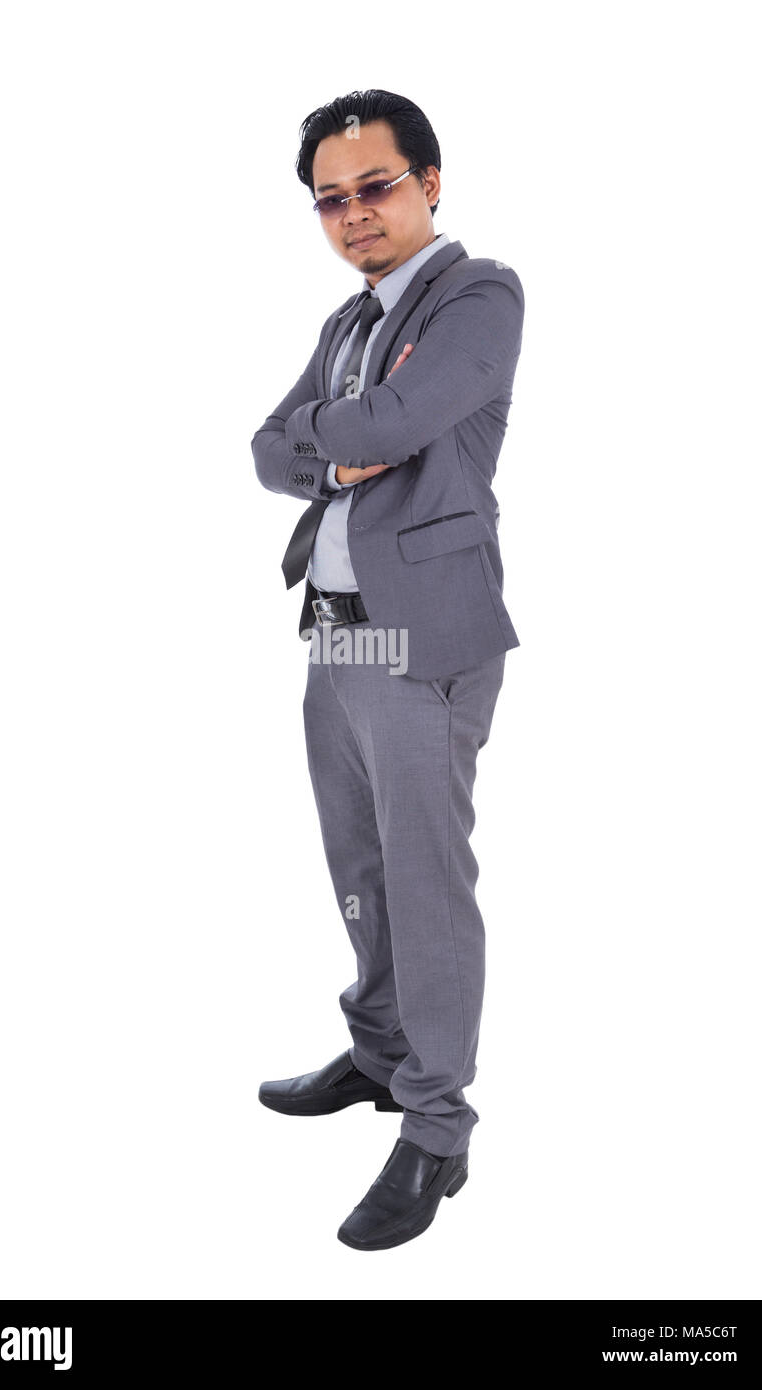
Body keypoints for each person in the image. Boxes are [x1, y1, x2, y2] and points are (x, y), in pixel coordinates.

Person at [251, 88, 525, 1251]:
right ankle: (377, 1048)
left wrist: (348, 434)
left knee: (423, 882)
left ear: (428, 182)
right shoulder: (347, 323)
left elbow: (389, 426)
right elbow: (269, 449)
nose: (352, 215)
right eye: (329, 199)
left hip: (424, 636)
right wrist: (338, 438)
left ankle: (435, 1126)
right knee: (358, 862)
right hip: (336, 626)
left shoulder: (477, 294)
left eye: (373, 187)